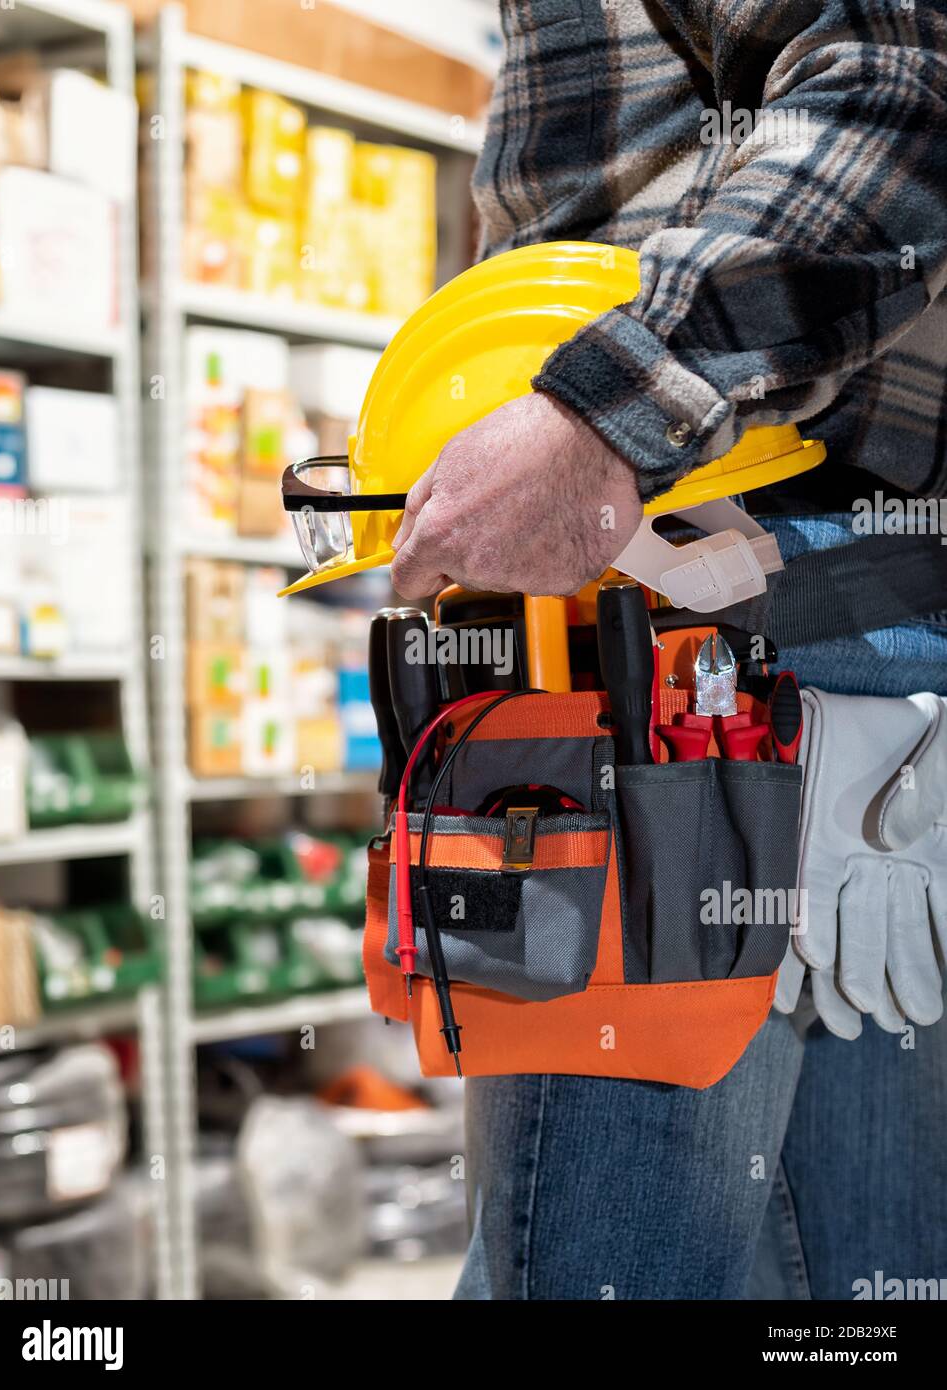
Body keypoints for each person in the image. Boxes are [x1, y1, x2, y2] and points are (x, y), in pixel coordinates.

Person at [389, 1, 947, 1300]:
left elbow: (900, 85)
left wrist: (610, 414)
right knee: (873, 1283)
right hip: (854, 645)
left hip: (686, 648)